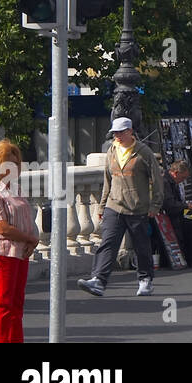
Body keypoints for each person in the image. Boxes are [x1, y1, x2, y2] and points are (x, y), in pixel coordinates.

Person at [78, 117, 163, 298]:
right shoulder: (112, 150)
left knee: (141, 246)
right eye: (115, 133)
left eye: (120, 132)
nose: (117, 136)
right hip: (114, 205)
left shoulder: (143, 153)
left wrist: (155, 204)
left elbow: (157, 180)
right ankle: (99, 280)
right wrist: (101, 207)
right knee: (108, 243)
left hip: (137, 207)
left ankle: (145, 280)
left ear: (130, 131)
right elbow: (108, 181)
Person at [0, 140, 38, 342]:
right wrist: (29, 238)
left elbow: (27, 218)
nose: (13, 168)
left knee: (16, 303)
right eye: (7, 164)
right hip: (3, 252)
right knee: (4, 303)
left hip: (21, 251)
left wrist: (31, 240)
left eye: (15, 164)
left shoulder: (16, 189)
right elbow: (1, 228)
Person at [163, 160, 192, 268]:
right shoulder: (165, 182)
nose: (182, 181)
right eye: (182, 178)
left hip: (179, 210)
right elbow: (169, 204)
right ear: (175, 173)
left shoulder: (172, 181)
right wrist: (185, 206)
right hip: (171, 213)